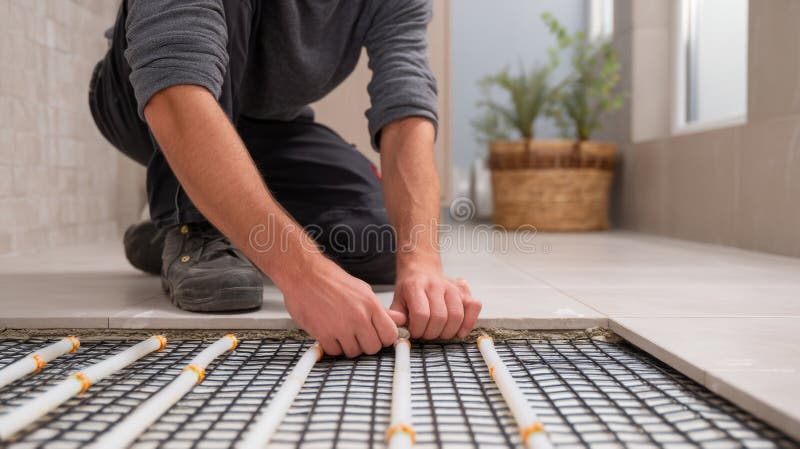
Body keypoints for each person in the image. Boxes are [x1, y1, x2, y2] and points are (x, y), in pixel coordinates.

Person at [88, 0, 481, 358]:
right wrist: (304, 273)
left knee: (375, 239)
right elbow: (175, 88)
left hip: (269, 125)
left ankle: (200, 230)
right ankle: (193, 224)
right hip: (147, 93)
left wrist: (422, 263)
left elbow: (406, 111)